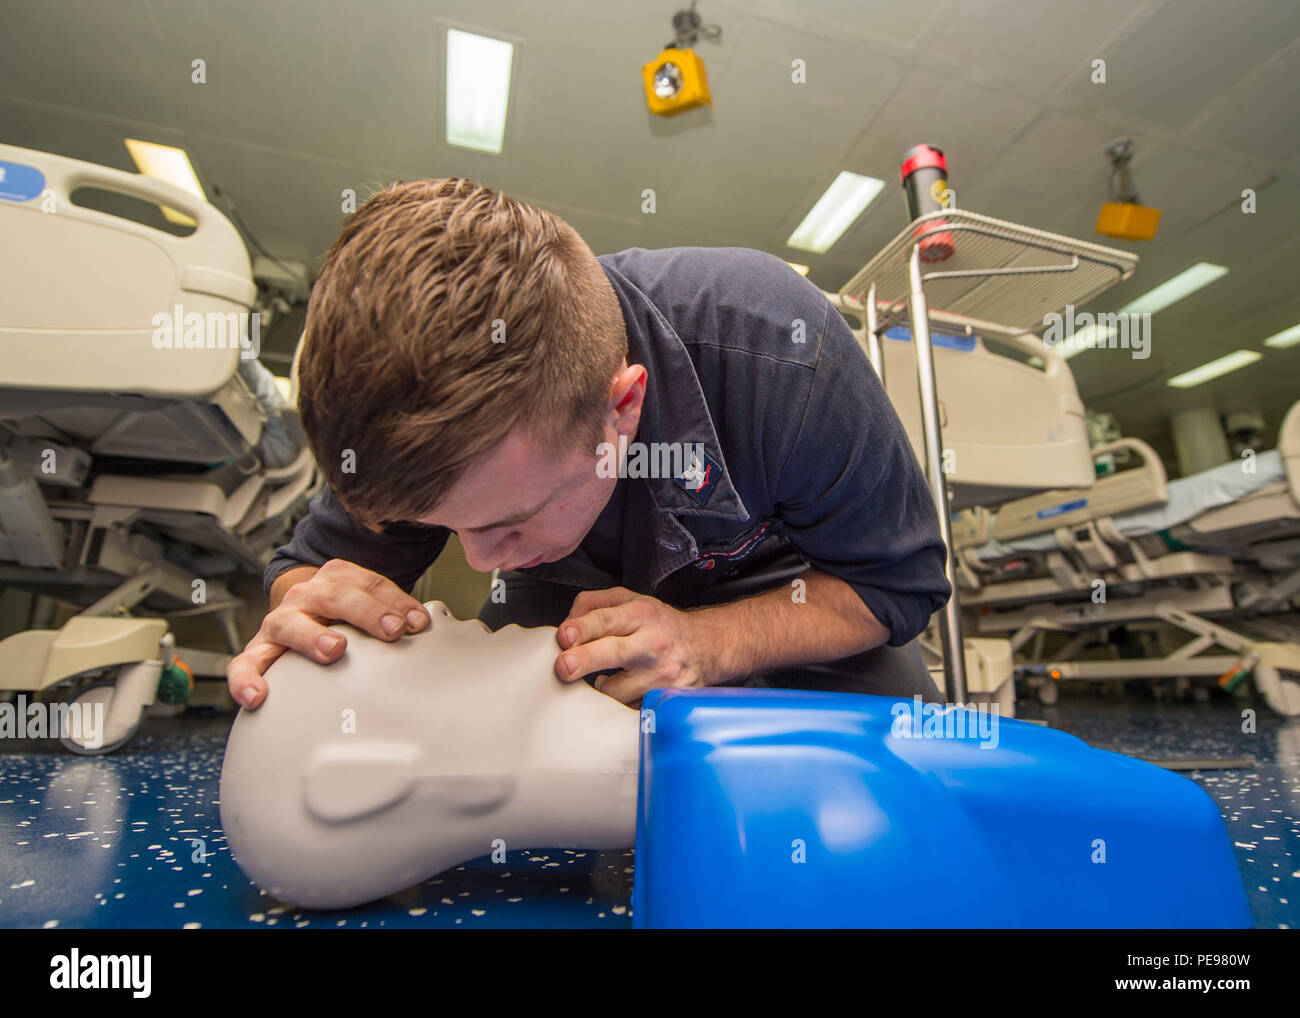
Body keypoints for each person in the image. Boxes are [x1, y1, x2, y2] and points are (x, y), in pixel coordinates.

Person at [226, 177, 951, 711]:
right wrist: (311, 614)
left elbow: (897, 584)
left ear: (623, 407)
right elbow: (310, 571)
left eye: (506, 521)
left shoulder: (781, 349)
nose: (477, 562)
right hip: (564, 589)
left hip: (784, 582)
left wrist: (708, 643)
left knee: (891, 780)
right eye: (446, 528)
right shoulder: (412, 400)